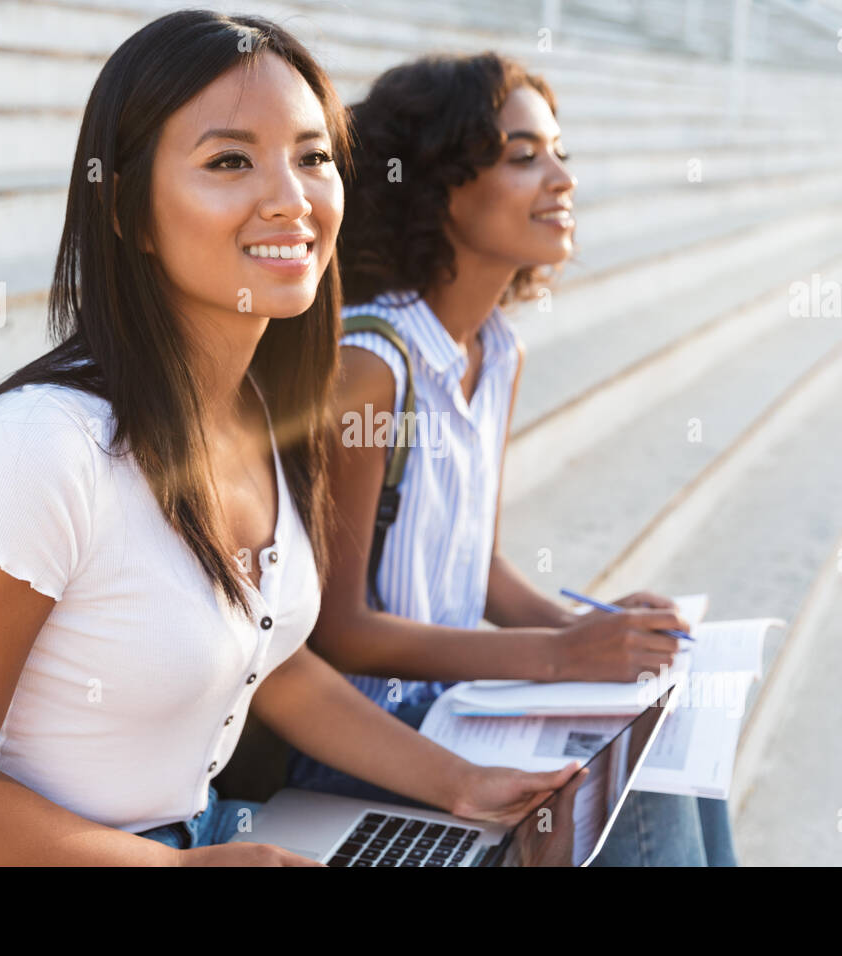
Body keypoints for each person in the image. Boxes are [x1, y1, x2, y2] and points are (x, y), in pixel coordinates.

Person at [0, 11, 580, 867]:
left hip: (204, 837)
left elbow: (272, 661)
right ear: (126, 207)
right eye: (230, 161)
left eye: (313, 157)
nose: (291, 197)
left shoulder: (255, 408)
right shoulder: (40, 447)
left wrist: (460, 783)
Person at [286, 52, 738, 866]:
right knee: (639, 773)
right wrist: (563, 656)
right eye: (524, 156)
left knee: (670, 704)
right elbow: (340, 632)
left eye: (559, 152)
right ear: (440, 187)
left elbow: (479, 563)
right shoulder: (371, 367)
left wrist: (599, 632)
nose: (560, 177)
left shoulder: (497, 351)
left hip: (463, 697)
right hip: (375, 734)